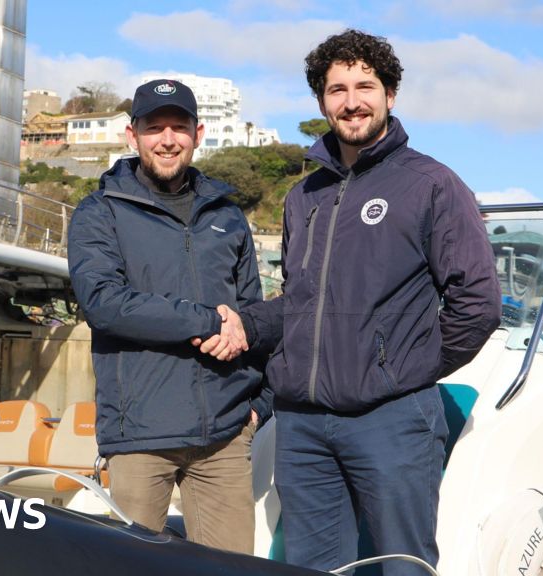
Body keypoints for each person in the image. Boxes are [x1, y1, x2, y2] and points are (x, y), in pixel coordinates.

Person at [198, 30, 502, 572]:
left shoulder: (432, 184)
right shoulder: (303, 196)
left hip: (391, 419)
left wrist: (399, 371)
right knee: (313, 567)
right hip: (303, 424)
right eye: (337, 89)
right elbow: (301, 302)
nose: (352, 101)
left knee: (402, 565)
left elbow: (477, 305)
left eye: (365, 86)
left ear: (390, 94)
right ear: (322, 101)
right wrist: (246, 323)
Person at [67, 79, 271, 554]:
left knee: (230, 570)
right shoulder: (100, 212)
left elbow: (253, 316)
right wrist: (206, 322)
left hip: (225, 434)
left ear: (197, 134)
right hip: (141, 435)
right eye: (154, 127)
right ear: (132, 135)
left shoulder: (227, 216)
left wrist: (262, 404)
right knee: (132, 567)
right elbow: (104, 303)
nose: (167, 139)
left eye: (178, 127)